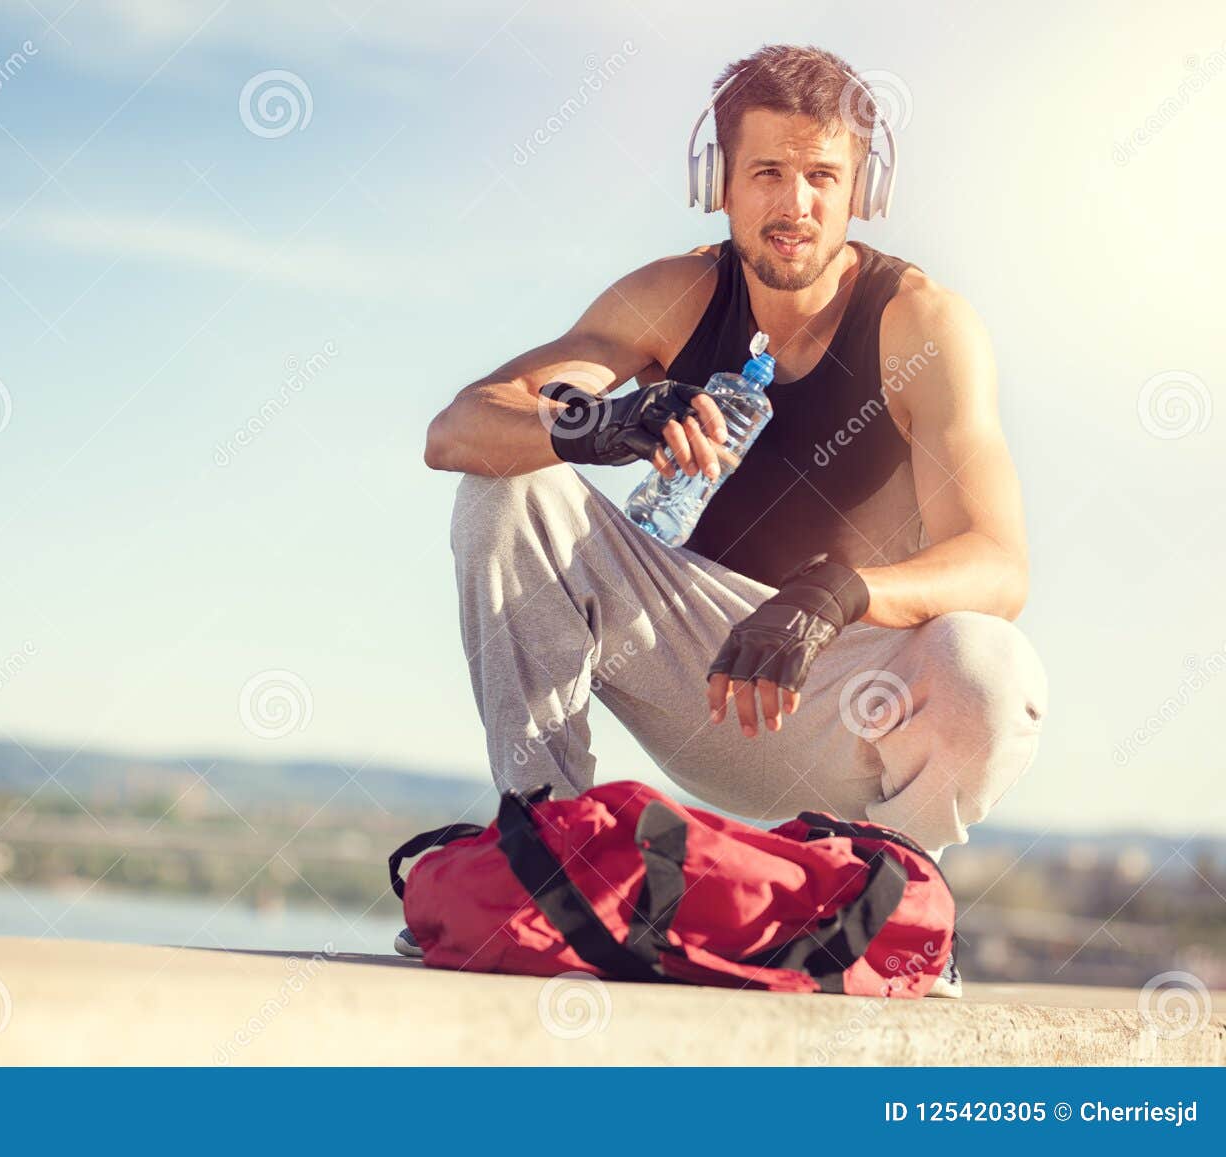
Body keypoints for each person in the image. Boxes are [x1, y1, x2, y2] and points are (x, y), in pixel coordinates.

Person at [404, 45, 1048, 998]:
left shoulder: (923, 324)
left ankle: (888, 905)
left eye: (822, 175)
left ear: (864, 186)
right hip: (691, 671)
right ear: (719, 181)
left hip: (841, 698)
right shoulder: (674, 295)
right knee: (508, 485)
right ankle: (550, 854)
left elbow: (999, 563)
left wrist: (837, 592)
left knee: (992, 664)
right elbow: (456, 430)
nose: (796, 204)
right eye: (768, 173)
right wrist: (599, 423)